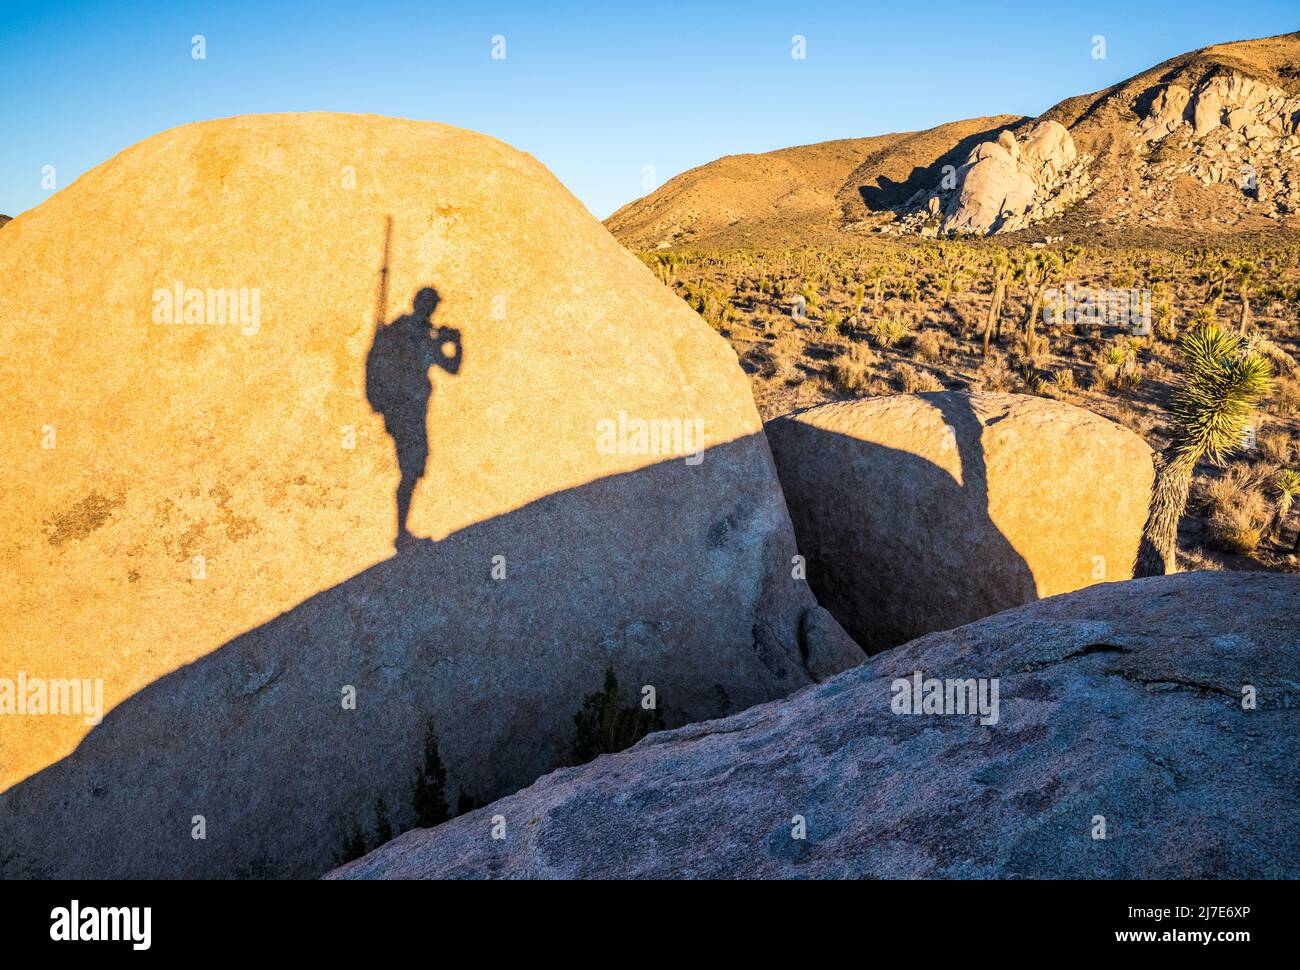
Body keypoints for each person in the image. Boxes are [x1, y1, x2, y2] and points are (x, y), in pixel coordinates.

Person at [364, 287, 462, 551]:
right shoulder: (414, 333)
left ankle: (401, 531)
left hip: (407, 414)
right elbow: (452, 367)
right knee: (410, 470)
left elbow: (450, 367)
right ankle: (400, 532)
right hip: (405, 413)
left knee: (413, 469)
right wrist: (454, 342)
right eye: (431, 305)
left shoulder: (409, 330)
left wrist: (449, 341)